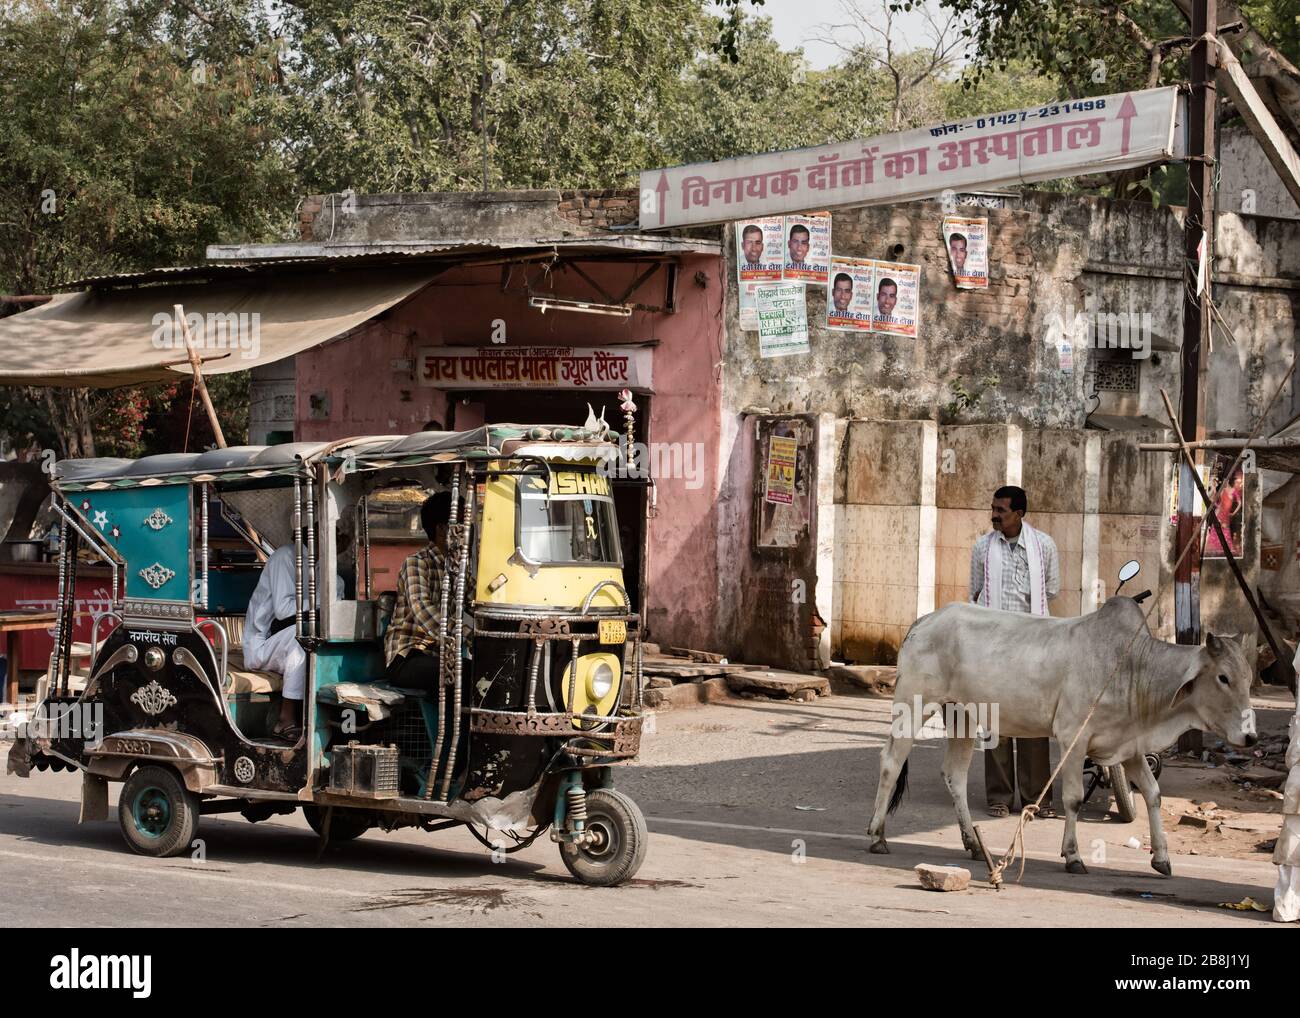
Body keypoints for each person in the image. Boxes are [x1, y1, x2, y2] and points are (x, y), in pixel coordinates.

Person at [969, 485, 1061, 819]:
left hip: (1033, 648)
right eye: (992, 508)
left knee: (1035, 722)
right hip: (993, 648)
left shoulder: (1044, 546)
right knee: (995, 721)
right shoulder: (982, 547)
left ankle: (1038, 797)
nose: (994, 515)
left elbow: (1050, 590)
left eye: (1001, 510)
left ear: (1019, 514)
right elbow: (975, 594)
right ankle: (999, 796)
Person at [244, 533, 347, 743]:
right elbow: (283, 610)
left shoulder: (324, 567)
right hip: (262, 645)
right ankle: (286, 718)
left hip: (287, 642)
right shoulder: (285, 557)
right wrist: (325, 601)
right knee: (302, 635)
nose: (339, 537)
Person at [384, 492, 455, 691]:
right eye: (462, 525)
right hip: (407, 657)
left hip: (438, 656)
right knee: (463, 673)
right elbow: (421, 608)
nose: (469, 532)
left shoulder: (456, 568)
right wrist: (463, 633)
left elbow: (474, 598)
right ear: (442, 529)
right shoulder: (416, 563)